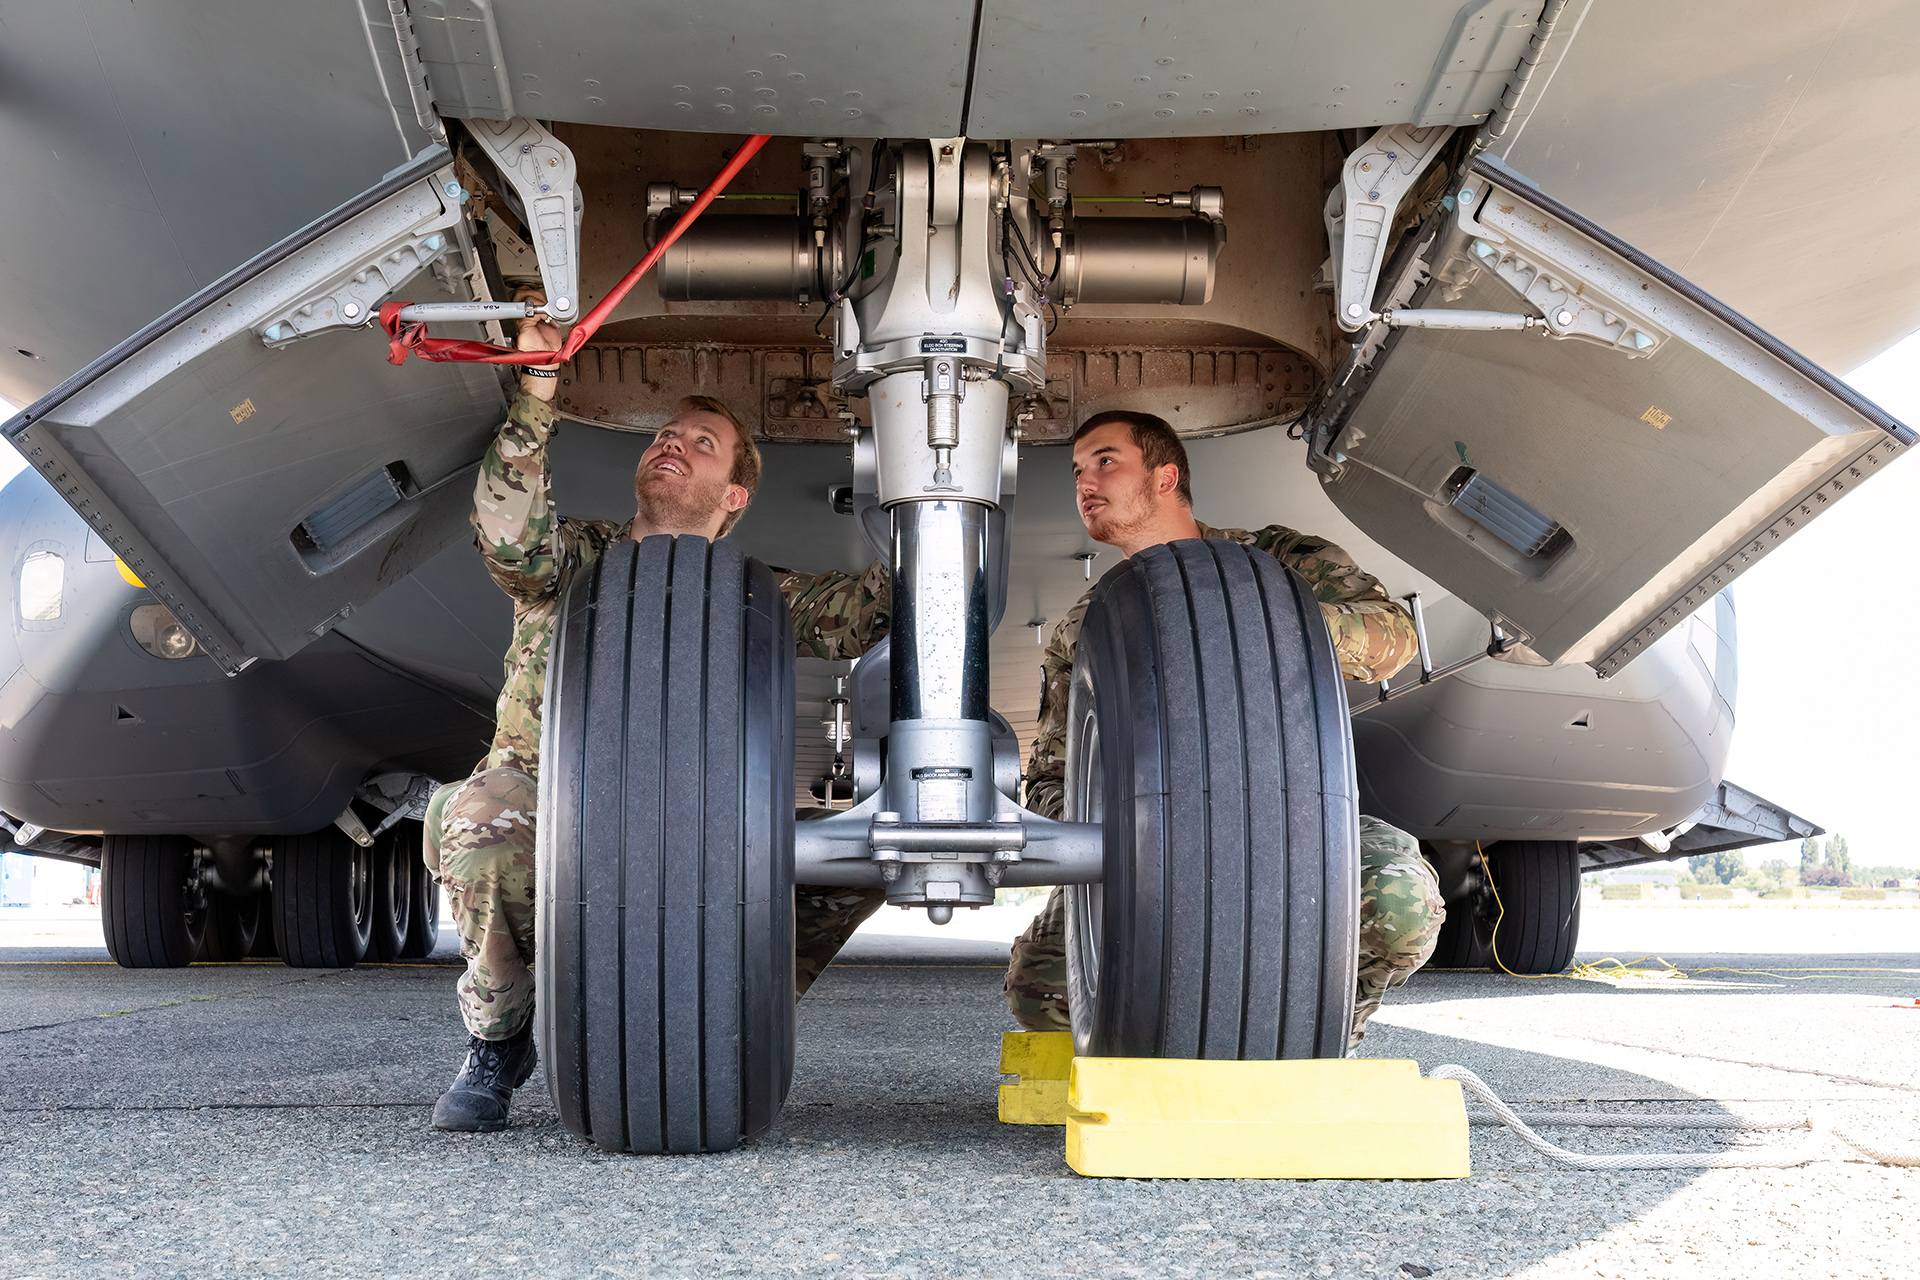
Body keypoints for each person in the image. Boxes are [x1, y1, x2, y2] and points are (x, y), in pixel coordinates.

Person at [423, 299, 886, 1132]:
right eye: (665, 435)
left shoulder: (754, 594)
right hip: (551, 783)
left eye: (700, 443)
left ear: (734, 493)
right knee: (486, 820)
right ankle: (500, 1035)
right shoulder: (575, 562)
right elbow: (506, 533)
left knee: (861, 855)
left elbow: (869, 612)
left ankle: (721, 1004)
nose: (672, 442)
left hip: (702, 800)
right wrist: (536, 392)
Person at [1001, 409, 1445, 1052]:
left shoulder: (1271, 562)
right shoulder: (1086, 629)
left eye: (1105, 461)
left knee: (1399, 900)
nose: (1084, 484)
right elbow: (1050, 781)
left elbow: (1391, 638)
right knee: (1040, 992)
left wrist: (1249, 620)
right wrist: (1121, 836)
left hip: (1283, 820)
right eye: (1077, 471)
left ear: (1165, 476)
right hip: (1147, 845)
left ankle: (1318, 1036)